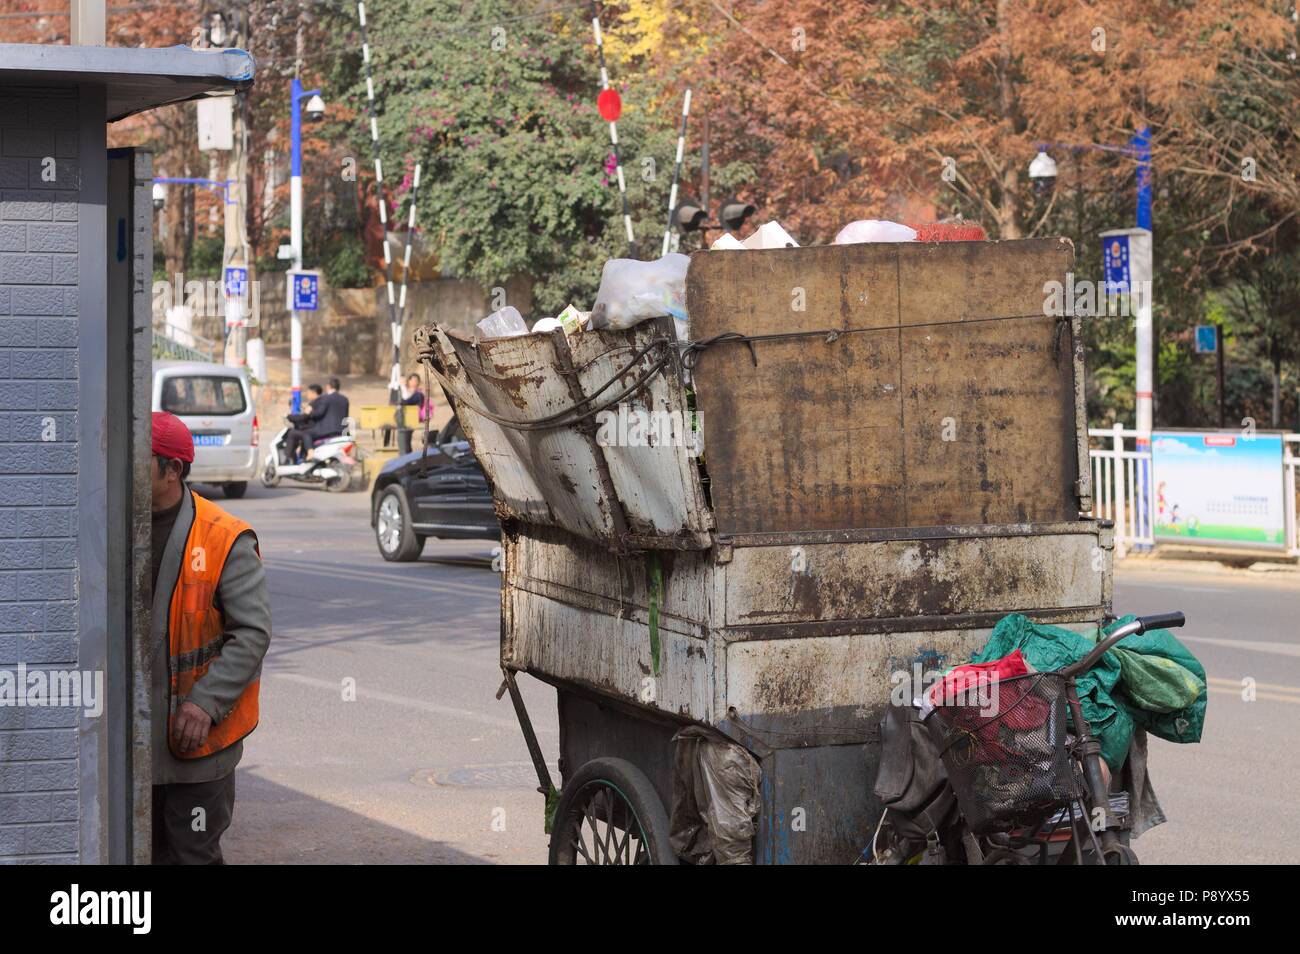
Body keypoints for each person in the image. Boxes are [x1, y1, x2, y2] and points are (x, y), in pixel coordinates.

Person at [150, 411, 271, 864]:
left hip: (198, 745)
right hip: (136, 739)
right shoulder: (115, 524)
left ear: (173, 470)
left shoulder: (223, 537)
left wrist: (206, 701)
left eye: (139, 460)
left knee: (190, 853)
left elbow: (252, 633)